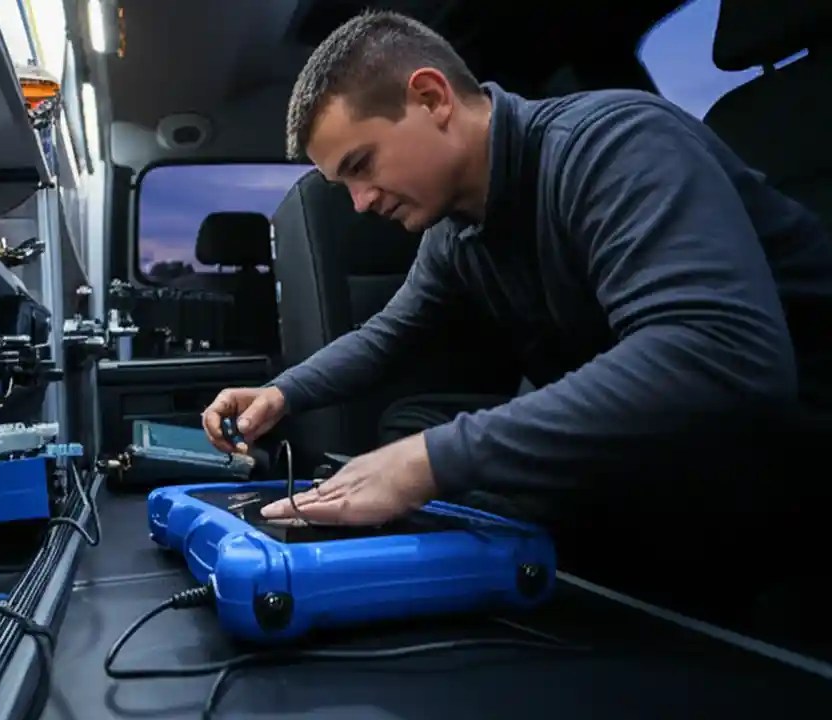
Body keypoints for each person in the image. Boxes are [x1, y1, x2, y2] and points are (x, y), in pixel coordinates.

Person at [201, 11, 832, 539]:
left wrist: (431, 461)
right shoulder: (458, 229)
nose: (362, 201)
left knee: (432, 457)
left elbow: (720, 350)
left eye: (362, 166)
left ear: (431, 97)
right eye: (346, 185)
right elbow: (392, 333)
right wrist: (282, 393)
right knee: (413, 429)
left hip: (782, 438)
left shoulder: (614, 144)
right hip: (688, 447)